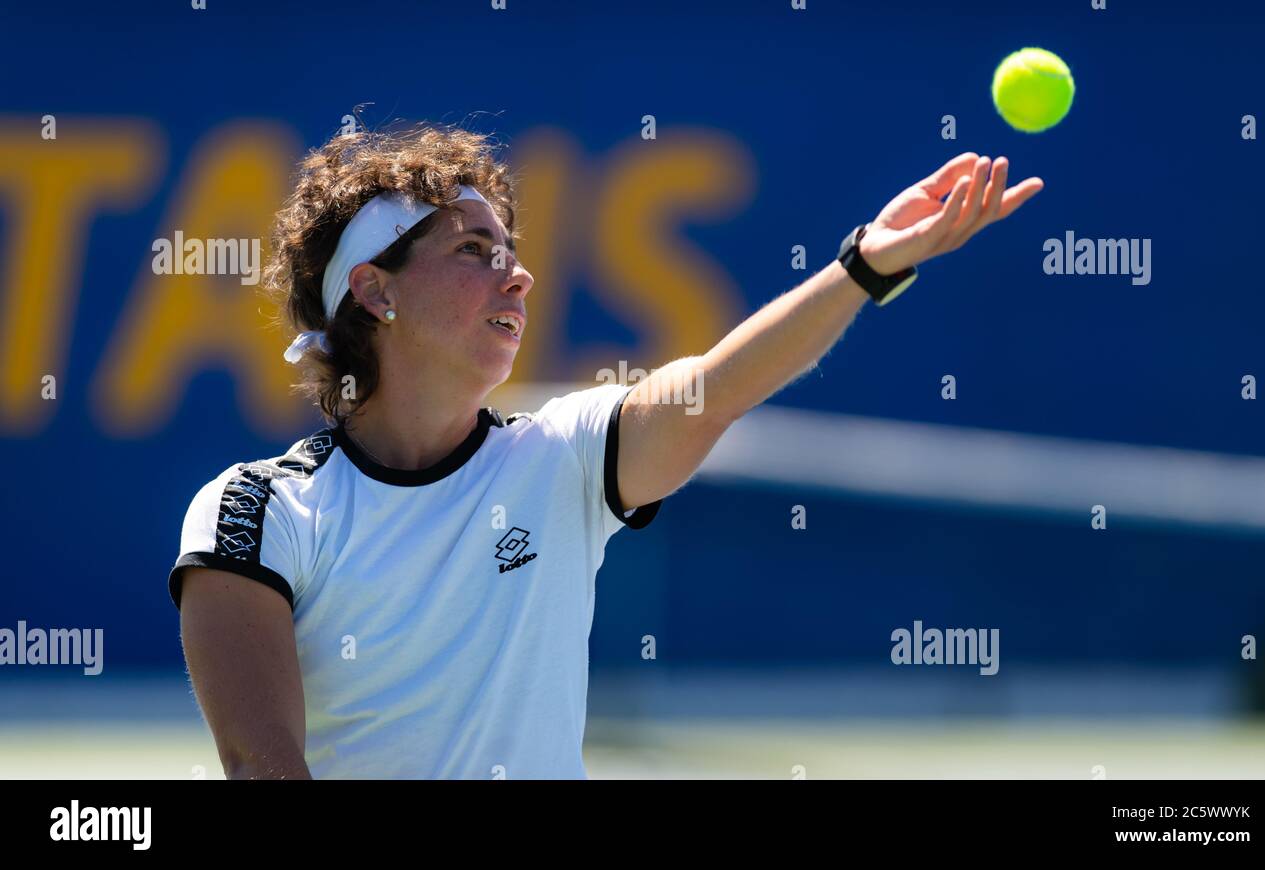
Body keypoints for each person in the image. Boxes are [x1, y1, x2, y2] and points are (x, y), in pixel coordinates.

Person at [169, 124, 1043, 779]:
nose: (517, 275)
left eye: (511, 252)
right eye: (475, 251)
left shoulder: (565, 457)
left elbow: (717, 385)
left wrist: (863, 265)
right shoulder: (256, 511)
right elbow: (258, 763)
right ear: (374, 290)